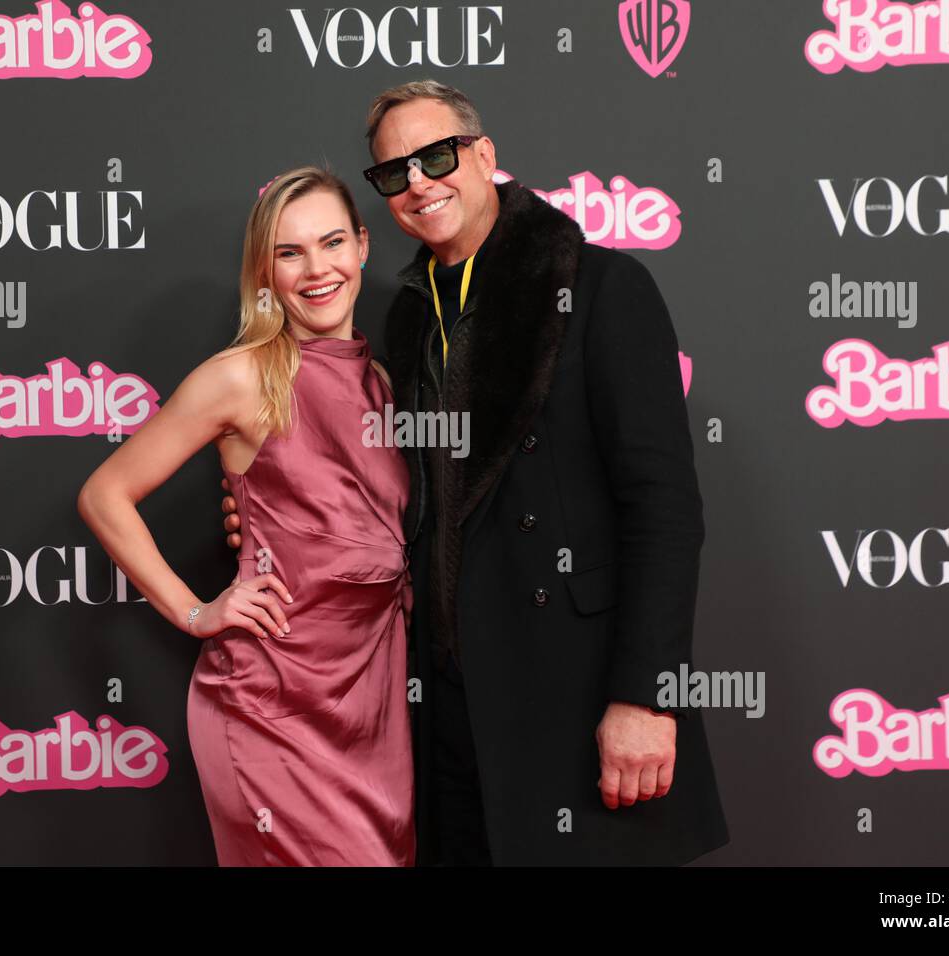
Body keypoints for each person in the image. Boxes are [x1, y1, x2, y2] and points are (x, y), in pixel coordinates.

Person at [224, 81, 730, 866]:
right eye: (395, 172)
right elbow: (382, 491)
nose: (419, 182)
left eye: (436, 156)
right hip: (451, 703)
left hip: (583, 690)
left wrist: (647, 696)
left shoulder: (601, 288)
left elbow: (664, 508)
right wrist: (264, 512)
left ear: (485, 156)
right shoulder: (405, 321)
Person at [80, 166, 415, 866]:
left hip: (372, 703)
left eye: (331, 243)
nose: (316, 269)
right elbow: (104, 494)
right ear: (264, 270)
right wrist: (195, 612)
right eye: (289, 253)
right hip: (272, 705)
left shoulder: (382, 381)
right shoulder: (241, 376)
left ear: (362, 246)